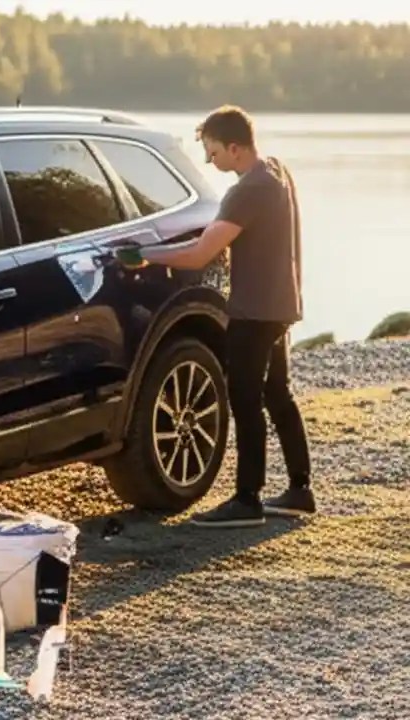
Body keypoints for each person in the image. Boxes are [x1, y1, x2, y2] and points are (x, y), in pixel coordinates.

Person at [116, 105, 314, 527]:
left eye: (213, 152)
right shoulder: (277, 171)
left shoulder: (246, 190)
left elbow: (201, 253)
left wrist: (144, 256)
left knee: (245, 400)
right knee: (278, 394)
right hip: (281, 305)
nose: (209, 161)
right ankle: (300, 490)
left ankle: (247, 499)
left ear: (236, 148)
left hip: (254, 313)